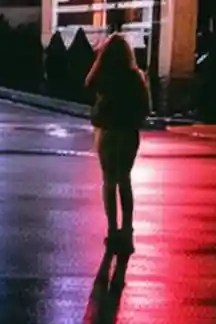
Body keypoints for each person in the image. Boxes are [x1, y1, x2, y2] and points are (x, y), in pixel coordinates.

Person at [85, 34, 151, 257]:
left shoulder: (103, 75)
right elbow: (146, 107)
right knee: (125, 179)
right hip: (128, 132)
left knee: (108, 181)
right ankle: (127, 229)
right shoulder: (135, 77)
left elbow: (88, 85)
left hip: (107, 132)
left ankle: (112, 229)